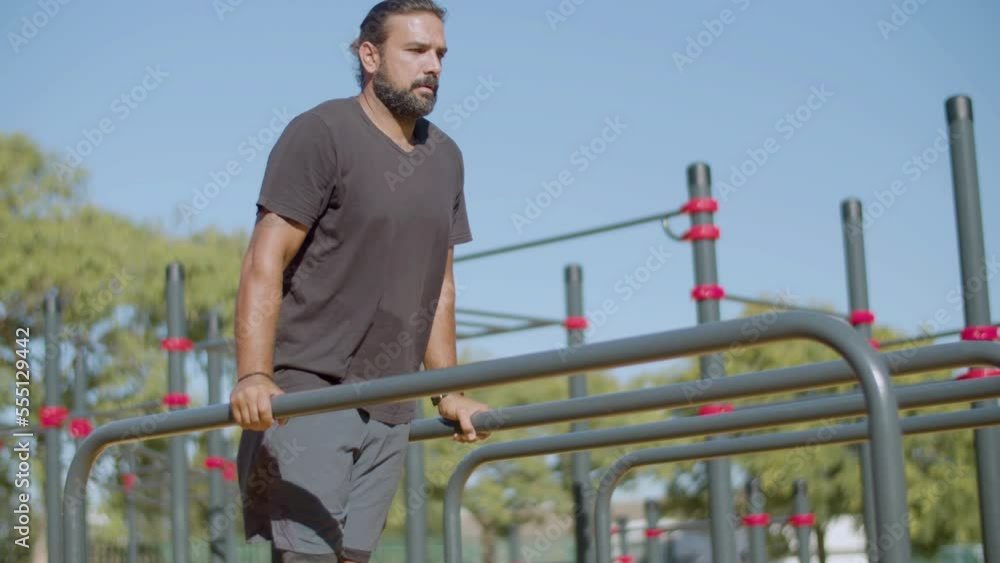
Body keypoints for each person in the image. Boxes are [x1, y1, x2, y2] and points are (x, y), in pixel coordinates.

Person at [230, 2, 490, 561]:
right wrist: (253, 374)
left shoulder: (445, 156)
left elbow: (440, 284)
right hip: (312, 388)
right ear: (369, 55)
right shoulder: (322, 133)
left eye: (441, 53)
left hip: (392, 399)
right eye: (417, 50)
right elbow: (264, 260)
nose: (434, 66)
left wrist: (448, 389)